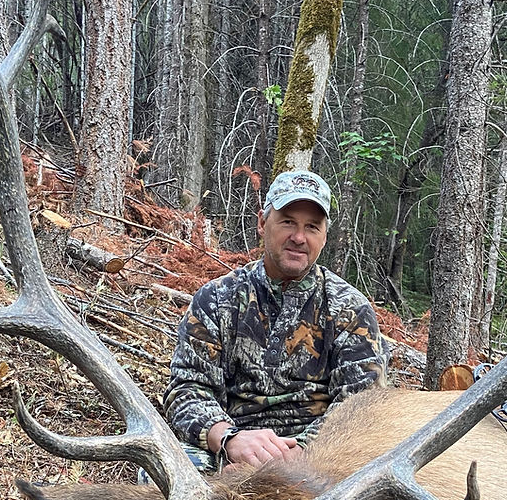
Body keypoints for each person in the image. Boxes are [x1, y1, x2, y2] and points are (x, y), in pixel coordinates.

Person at [163, 169, 386, 468]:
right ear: (262, 223)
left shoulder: (350, 309)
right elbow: (187, 390)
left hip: (320, 458)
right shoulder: (217, 299)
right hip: (230, 450)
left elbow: (361, 408)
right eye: (288, 222)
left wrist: (299, 452)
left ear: (324, 236)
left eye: (312, 227)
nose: (298, 237)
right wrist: (230, 439)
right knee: (164, 474)